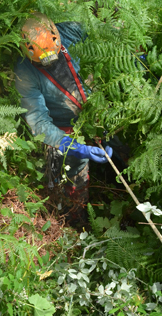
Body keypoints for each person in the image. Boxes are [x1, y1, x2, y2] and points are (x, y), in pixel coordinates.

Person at [14, 12, 112, 224]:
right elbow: (38, 121)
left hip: (99, 111)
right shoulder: (24, 71)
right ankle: (76, 218)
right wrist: (72, 146)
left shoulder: (71, 31)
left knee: (120, 148)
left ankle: (121, 179)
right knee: (75, 165)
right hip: (64, 129)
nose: (50, 65)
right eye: (43, 64)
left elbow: (104, 34)